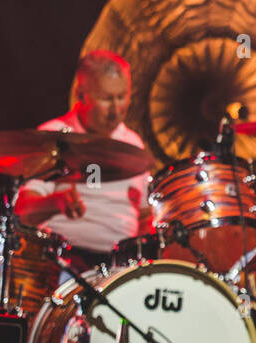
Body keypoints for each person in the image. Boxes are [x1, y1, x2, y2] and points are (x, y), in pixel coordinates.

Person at [15, 51, 153, 270]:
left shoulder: (133, 144)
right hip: (61, 265)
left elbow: (146, 216)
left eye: (122, 96)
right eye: (107, 99)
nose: (116, 110)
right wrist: (57, 203)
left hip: (118, 269)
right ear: (81, 94)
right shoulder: (53, 136)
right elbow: (23, 212)